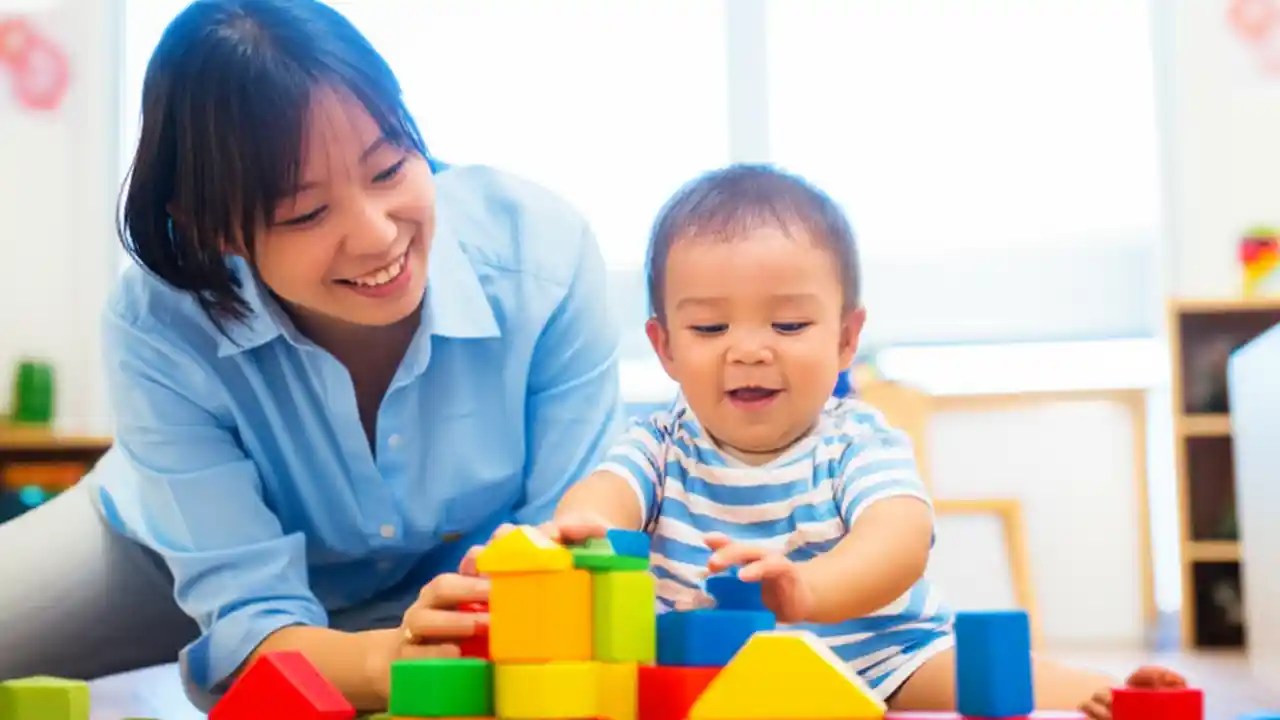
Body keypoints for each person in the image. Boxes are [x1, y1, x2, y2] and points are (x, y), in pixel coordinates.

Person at [0, 0, 620, 713]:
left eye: (389, 168)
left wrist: (466, 640)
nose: (377, 235)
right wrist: (393, 655)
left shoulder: (541, 257)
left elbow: (569, 560)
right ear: (215, 231)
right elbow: (251, 628)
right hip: (163, 557)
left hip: (443, 577)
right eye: (306, 214)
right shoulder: (160, 323)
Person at [474, 164, 1187, 720]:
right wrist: (571, 536)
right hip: (708, 673)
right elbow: (608, 497)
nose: (748, 351)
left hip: (877, 659)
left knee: (981, 673)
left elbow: (899, 536)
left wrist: (808, 588)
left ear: (847, 339)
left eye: (787, 326)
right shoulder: (660, 444)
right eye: (710, 329)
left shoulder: (854, 440)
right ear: (663, 347)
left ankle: (1110, 692)